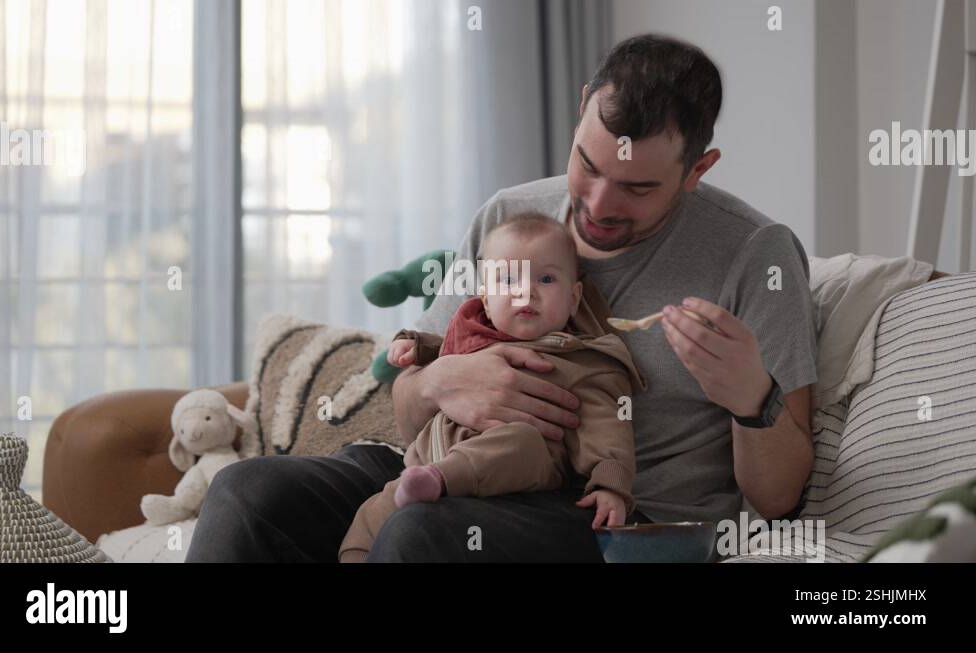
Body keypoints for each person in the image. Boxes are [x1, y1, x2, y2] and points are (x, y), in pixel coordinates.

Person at [186, 33, 817, 563]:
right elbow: (407, 408)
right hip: (446, 461)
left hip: (611, 514)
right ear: (581, 113)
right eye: (588, 166)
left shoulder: (754, 255)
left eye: (637, 188)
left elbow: (779, 496)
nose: (596, 207)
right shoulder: (510, 215)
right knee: (248, 493)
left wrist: (751, 400)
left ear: (698, 170)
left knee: (422, 533)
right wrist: (441, 382)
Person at [339, 213, 644, 562]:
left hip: (524, 468)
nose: (524, 291)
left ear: (574, 298)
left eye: (545, 279)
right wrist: (415, 346)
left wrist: (610, 485)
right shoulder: (472, 337)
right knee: (372, 513)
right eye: (508, 280)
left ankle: (439, 479)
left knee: (519, 440)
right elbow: (443, 348)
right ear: (485, 299)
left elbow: (608, 429)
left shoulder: (583, 362)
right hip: (427, 462)